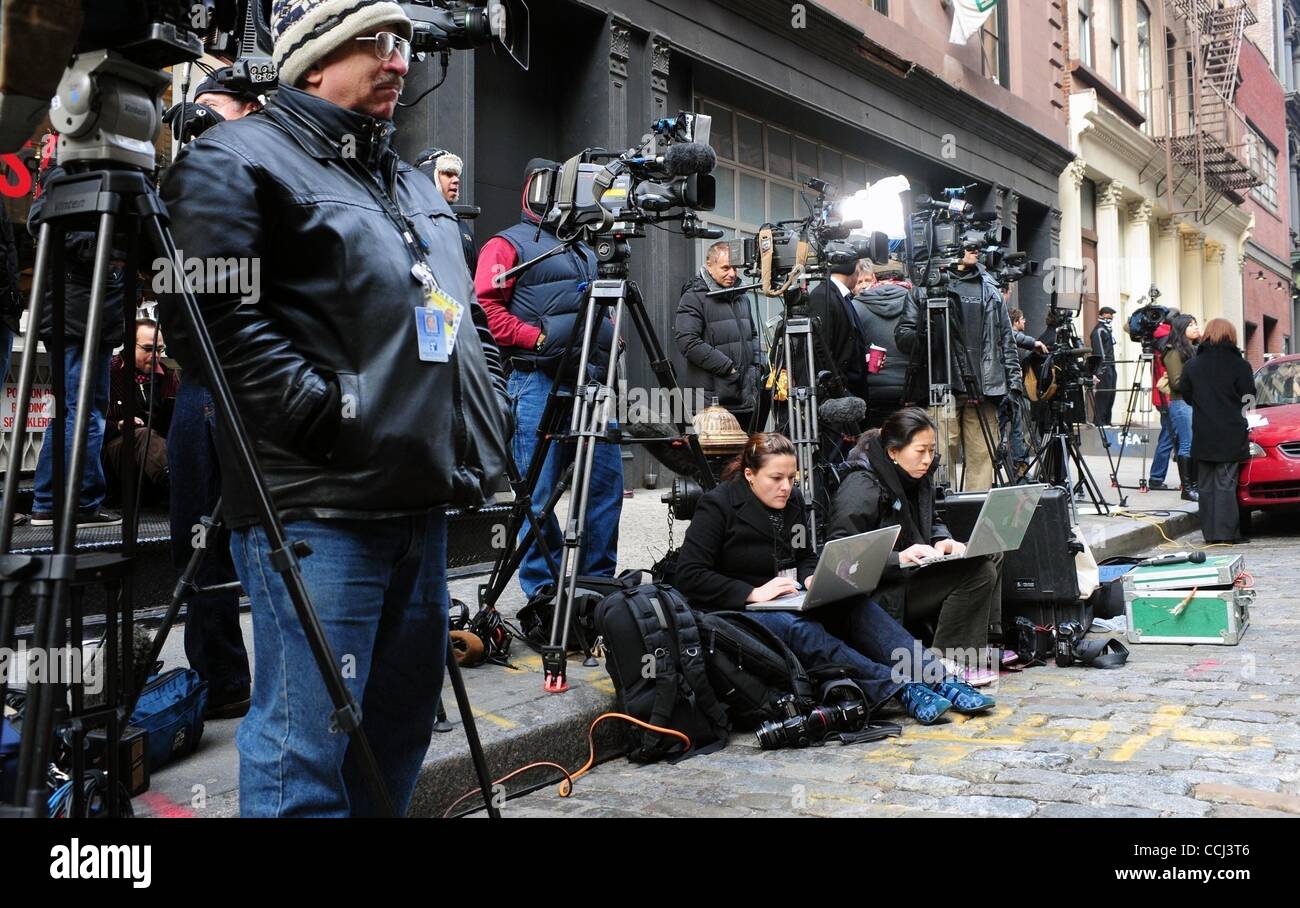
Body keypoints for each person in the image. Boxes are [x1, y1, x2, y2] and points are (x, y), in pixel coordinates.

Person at [159, 0, 512, 817]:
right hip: (318, 510)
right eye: (377, 43)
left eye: (404, 45)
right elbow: (207, 313)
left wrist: (482, 408)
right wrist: (326, 417)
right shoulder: (238, 158)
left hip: (422, 499)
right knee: (306, 741)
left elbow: (453, 315)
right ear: (312, 60)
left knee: (392, 734)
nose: (400, 61)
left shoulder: (406, 178)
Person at [674, 431, 995, 725]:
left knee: (854, 604)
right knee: (801, 630)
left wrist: (814, 576)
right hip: (736, 611)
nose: (786, 487)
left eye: (791, 478)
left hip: (783, 598)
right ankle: (899, 689)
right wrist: (751, 592)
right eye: (776, 478)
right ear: (749, 475)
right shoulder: (716, 506)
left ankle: (937, 677)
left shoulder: (792, 501)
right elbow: (689, 575)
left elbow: (803, 556)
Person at [475, 160, 622, 601]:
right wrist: (535, 339)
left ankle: (596, 587)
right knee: (536, 498)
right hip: (536, 382)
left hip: (591, 385)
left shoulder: (582, 247)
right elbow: (485, 307)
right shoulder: (506, 244)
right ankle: (545, 591)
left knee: (604, 487)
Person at [165, 78, 261, 721]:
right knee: (194, 541)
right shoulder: (186, 184)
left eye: (214, 111)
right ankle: (222, 679)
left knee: (265, 539)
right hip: (195, 382)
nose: (200, 123)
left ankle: (296, 674)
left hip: (255, 381)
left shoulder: (267, 171)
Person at [826, 408, 1001, 679]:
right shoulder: (861, 485)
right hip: (883, 590)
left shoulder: (917, 477)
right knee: (977, 571)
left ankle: (982, 642)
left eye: (931, 450)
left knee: (992, 552)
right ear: (893, 452)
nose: (927, 459)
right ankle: (948, 662)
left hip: (912, 572)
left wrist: (943, 540)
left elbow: (932, 518)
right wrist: (899, 558)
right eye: (920, 451)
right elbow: (840, 557)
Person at [26, 162, 125, 528]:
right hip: (79, 311)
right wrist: (108, 247)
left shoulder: (81, 173)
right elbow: (43, 222)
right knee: (82, 410)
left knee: (75, 410)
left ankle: (55, 501)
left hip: (85, 310)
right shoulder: (72, 172)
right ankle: (74, 501)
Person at [896, 245, 1022, 491]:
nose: (977, 251)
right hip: (942, 388)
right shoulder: (925, 287)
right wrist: (927, 330)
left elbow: (1006, 340)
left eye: (979, 246)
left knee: (983, 458)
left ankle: (973, 517)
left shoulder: (991, 289)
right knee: (940, 458)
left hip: (986, 390)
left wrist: (1014, 384)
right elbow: (903, 337)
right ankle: (944, 516)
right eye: (971, 246)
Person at [674, 240, 764, 430]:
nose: (732, 273)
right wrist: (729, 368)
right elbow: (688, 342)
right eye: (725, 268)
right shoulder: (694, 296)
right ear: (709, 265)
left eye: (734, 268)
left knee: (743, 458)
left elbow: (752, 335)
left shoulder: (741, 297)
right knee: (714, 459)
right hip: (710, 404)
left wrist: (757, 367)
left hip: (744, 398)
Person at [1179, 318, 1254, 544]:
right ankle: (1226, 533)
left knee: (1205, 484)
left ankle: (1210, 533)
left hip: (1203, 431)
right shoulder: (1240, 365)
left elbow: (1186, 394)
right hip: (1230, 431)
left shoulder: (1193, 365)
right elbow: (1249, 397)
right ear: (1231, 336)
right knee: (1225, 483)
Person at [103, 319, 179, 503]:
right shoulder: (108, 372)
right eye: (147, 349)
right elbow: (87, 421)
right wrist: (118, 425)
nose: (155, 355)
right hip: (117, 451)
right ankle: (176, 484)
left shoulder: (168, 376)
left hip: (157, 445)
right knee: (143, 435)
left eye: (160, 349)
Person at [851, 259, 911, 427]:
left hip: (872, 389)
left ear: (875, 278)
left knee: (874, 443)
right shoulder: (915, 302)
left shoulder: (856, 306)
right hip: (910, 388)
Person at [806, 260, 870, 401]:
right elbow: (820, 347)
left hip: (849, 392)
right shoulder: (823, 295)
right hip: (838, 395)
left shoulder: (841, 296)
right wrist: (839, 386)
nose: (859, 275)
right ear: (852, 268)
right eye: (859, 268)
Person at [1160, 313, 1201, 501]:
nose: (1196, 327)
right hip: (1182, 403)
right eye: (1191, 324)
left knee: (1194, 445)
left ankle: (1196, 485)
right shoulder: (1173, 352)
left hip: (1193, 402)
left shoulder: (1193, 349)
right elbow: (1177, 383)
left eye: (1196, 324)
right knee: (1187, 445)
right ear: (1181, 328)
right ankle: (1188, 488)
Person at [416, 150, 476, 273]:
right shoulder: (411, 222)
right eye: (448, 174)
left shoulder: (462, 228)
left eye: (456, 175)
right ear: (429, 177)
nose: (456, 180)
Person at [1004, 306, 1047, 475]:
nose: (1025, 321)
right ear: (1015, 322)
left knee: (1015, 429)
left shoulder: (1016, 339)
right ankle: (1019, 468)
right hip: (1014, 390)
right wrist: (1034, 344)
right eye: (1022, 319)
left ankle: (1018, 467)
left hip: (1011, 389)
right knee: (1017, 429)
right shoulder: (1014, 337)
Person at [1147, 312, 1177, 490]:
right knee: (1168, 437)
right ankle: (1156, 478)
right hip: (1168, 396)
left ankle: (1157, 477)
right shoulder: (1167, 340)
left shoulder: (1156, 337)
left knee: (1169, 436)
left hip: (1161, 396)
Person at [1088, 306, 1118, 427]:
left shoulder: (1107, 330)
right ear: (1104, 315)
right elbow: (1099, 351)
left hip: (1111, 364)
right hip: (1104, 366)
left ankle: (1107, 420)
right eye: (1109, 314)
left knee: (1111, 392)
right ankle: (1099, 421)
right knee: (1103, 393)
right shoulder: (1099, 330)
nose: (1111, 317)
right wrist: (1102, 366)